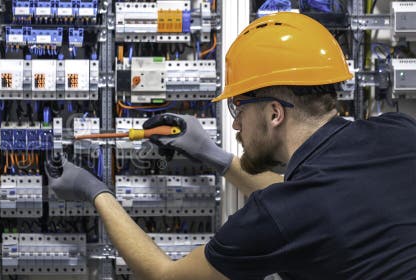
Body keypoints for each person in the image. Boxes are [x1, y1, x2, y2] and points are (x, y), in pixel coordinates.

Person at [47, 12, 416, 279]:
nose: (235, 124)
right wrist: (215, 157)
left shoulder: (277, 216)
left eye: (238, 108)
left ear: (275, 113)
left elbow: (165, 277)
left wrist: (96, 192)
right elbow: (311, 202)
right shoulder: (399, 132)